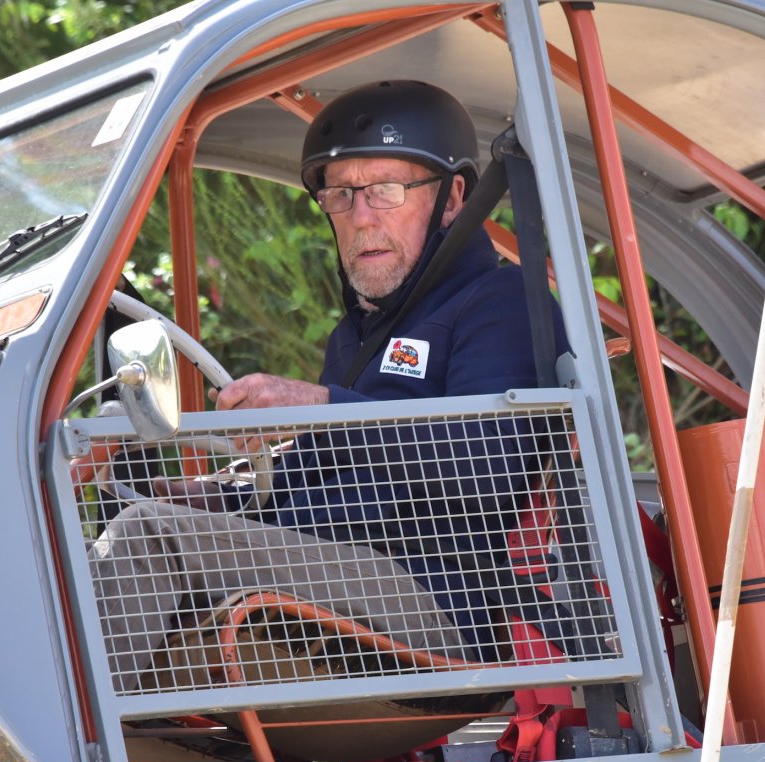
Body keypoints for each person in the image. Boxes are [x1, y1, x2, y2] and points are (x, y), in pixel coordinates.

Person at [90, 81, 571, 695]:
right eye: (341, 195)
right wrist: (188, 493)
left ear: (453, 197)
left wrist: (320, 405)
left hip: (437, 602)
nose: (360, 216)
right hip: (333, 580)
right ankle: (129, 749)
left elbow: (487, 468)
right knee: (116, 528)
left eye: (385, 190)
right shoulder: (356, 336)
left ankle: (68, 755)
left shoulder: (500, 301)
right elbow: (311, 476)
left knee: (147, 537)